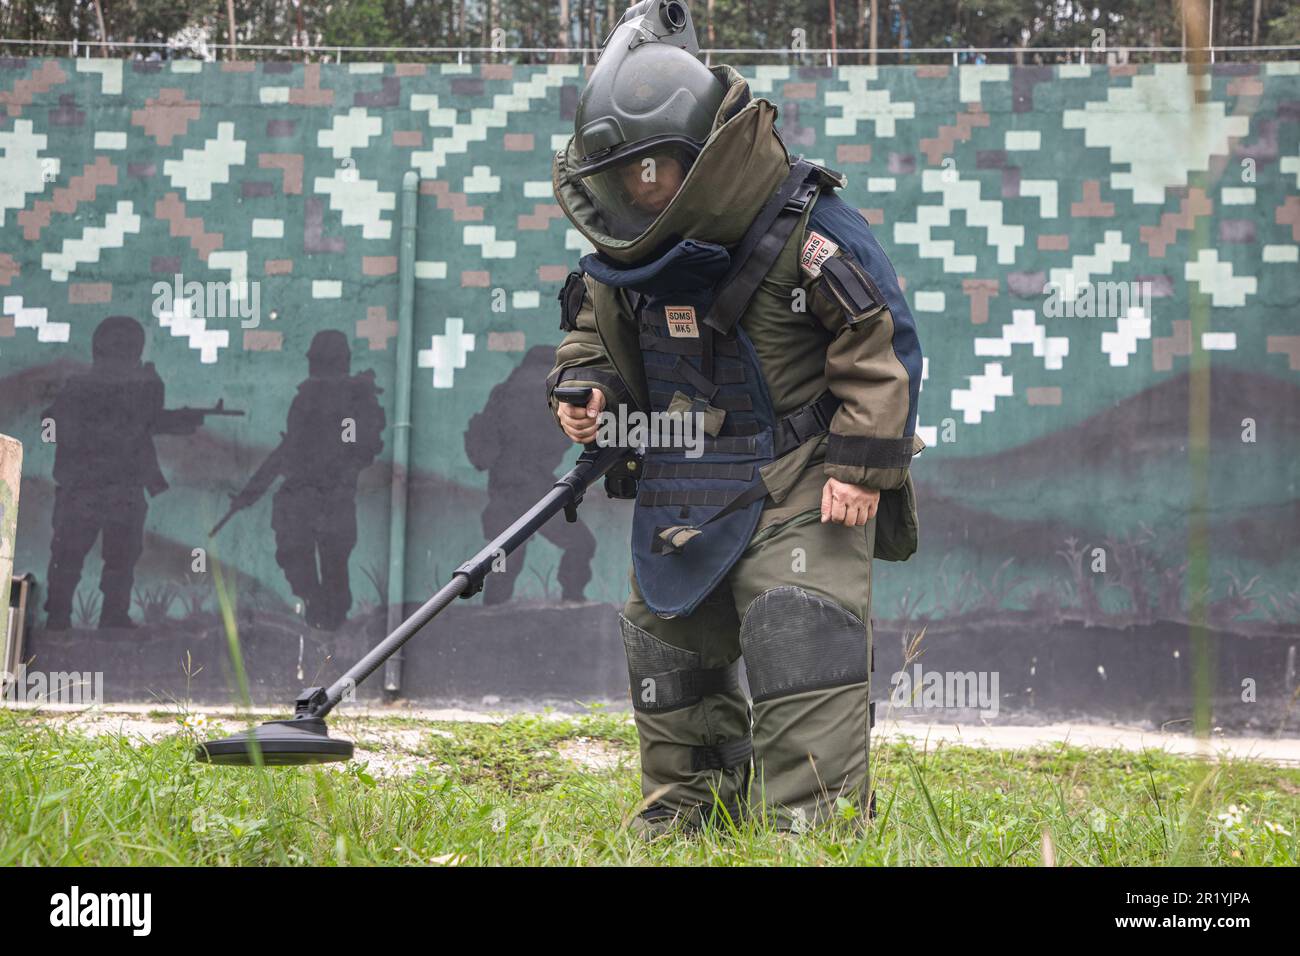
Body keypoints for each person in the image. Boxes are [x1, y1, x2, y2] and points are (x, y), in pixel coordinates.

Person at [545, 0, 924, 834]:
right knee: (666, 639)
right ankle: (691, 808)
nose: (640, 192)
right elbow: (591, 334)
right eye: (626, 177)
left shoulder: (808, 228)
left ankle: (816, 823)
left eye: (655, 172)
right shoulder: (624, 255)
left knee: (800, 630)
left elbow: (879, 340)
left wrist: (862, 466)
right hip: (685, 478)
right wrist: (589, 392)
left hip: (802, 476)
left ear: (701, 155)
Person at [44, 315, 227, 630]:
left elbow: (140, 422)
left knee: (88, 558)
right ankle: (89, 617)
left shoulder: (84, 389)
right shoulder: (129, 389)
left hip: (95, 490)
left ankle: (80, 617)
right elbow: (136, 421)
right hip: (108, 489)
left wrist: (176, 419)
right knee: (101, 559)